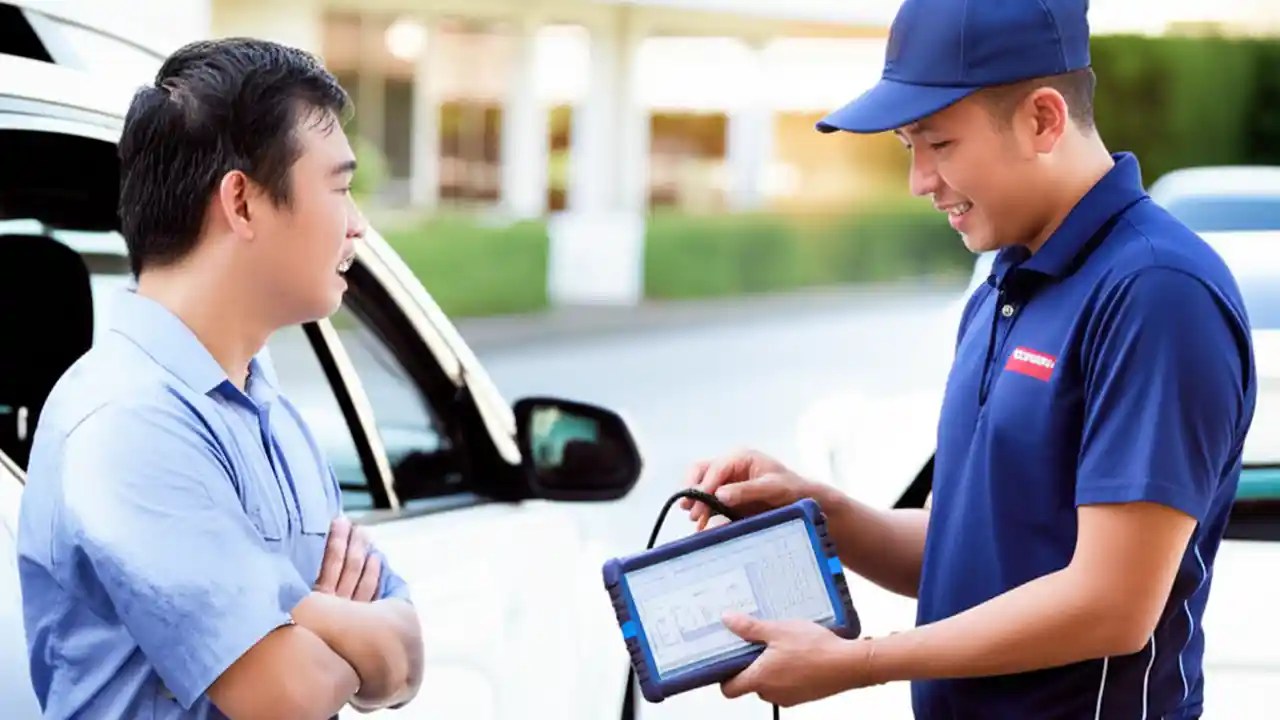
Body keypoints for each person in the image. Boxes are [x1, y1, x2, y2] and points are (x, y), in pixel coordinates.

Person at [683, 1, 1256, 718]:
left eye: (940, 144)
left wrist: (861, 663)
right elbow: (966, 550)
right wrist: (815, 510)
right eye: (907, 147)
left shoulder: (1156, 292)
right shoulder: (1005, 281)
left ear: (1044, 119)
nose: (921, 181)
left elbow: (1112, 603)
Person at [16, 38, 423, 719]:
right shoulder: (124, 425)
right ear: (241, 202)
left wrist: (284, 613)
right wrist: (318, 611)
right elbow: (287, 697)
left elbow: (405, 658)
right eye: (341, 188)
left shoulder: (268, 411)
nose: (358, 225)